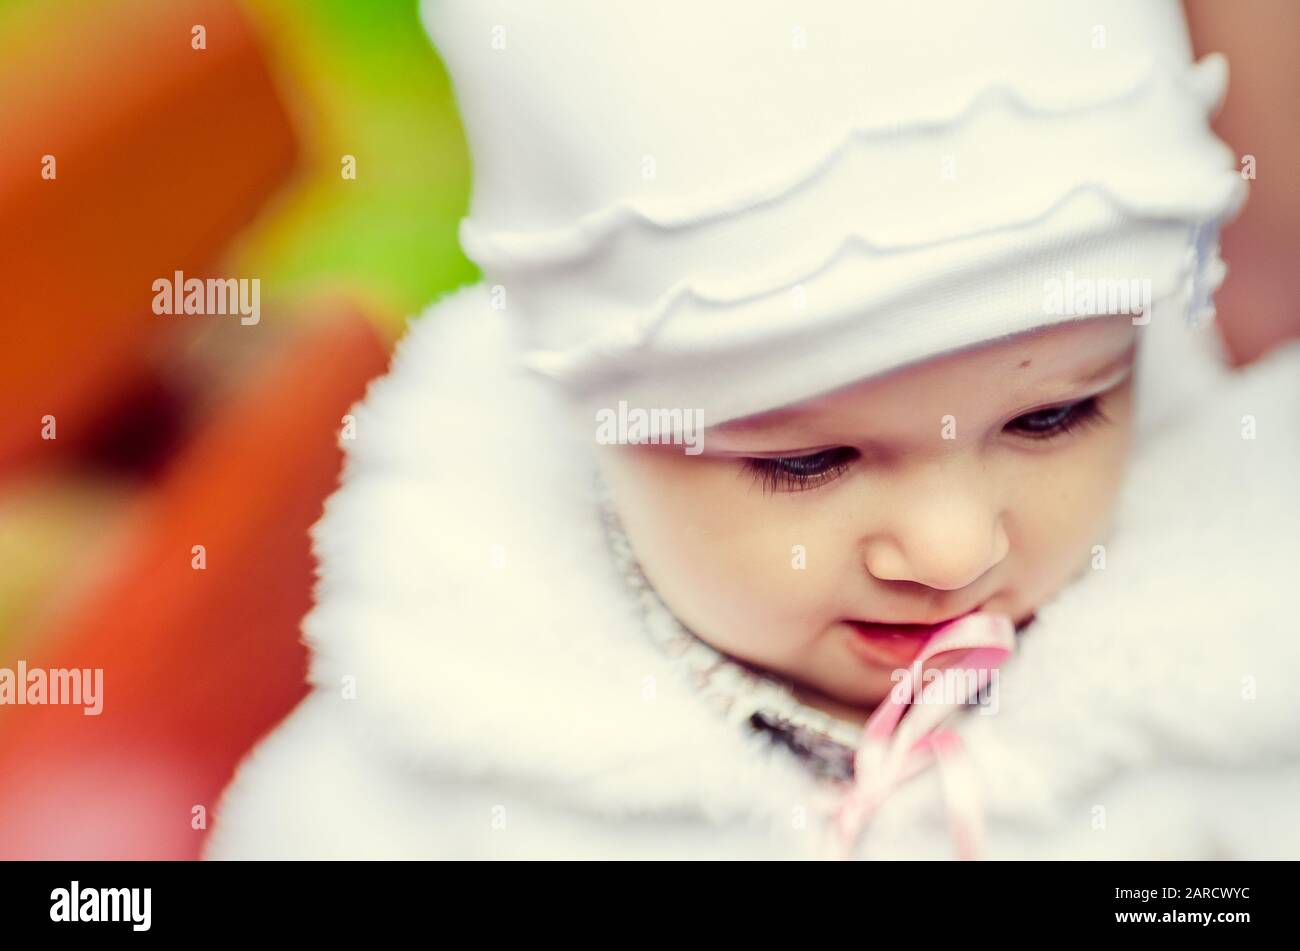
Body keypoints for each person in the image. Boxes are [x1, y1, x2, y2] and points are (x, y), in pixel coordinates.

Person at [204, 0, 1300, 859]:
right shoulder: (438, 788)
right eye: (806, 460)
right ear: (598, 423)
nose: (955, 548)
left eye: (1055, 414)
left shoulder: (1228, 693)